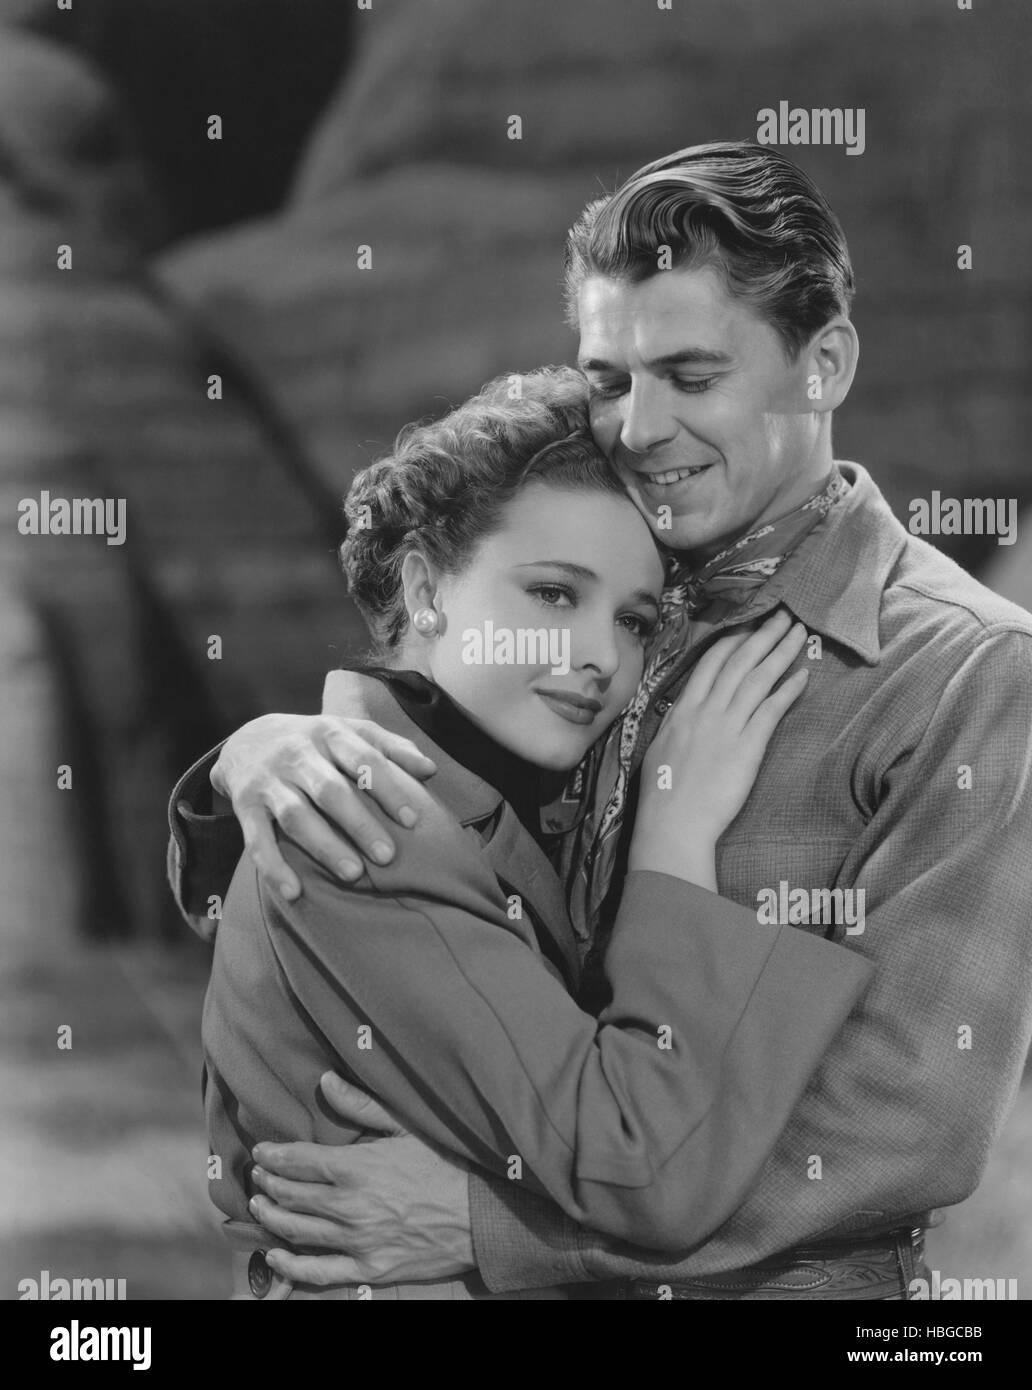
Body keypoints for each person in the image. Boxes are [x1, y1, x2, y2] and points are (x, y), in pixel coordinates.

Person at [169, 142, 1032, 1301]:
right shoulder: (617, 595)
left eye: (690, 374)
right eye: (611, 377)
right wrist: (252, 759)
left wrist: (498, 1233)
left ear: (822, 367)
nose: (638, 427)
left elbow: (898, 1126)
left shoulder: (967, 671)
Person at [192, 365, 870, 1300]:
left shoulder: (486, 794)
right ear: (427, 588)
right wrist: (677, 839)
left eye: (635, 620)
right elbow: (634, 1160)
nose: (600, 655)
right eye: (553, 594)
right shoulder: (364, 821)